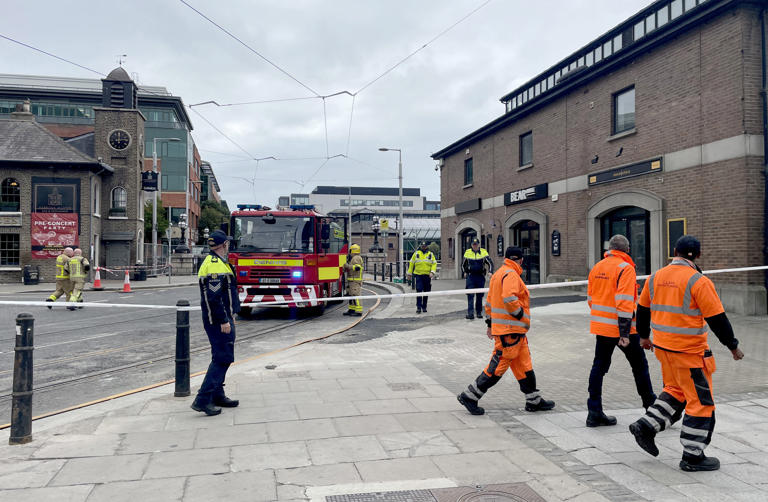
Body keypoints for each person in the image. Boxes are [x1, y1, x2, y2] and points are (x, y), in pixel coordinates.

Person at [628, 235, 744, 472]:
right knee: (700, 403)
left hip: (663, 350)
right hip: (690, 354)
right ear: (698, 255)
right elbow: (717, 319)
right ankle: (692, 455)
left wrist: (643, 336)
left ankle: (646, 426)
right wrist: (732, 346)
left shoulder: (655, 277)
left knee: (675, 391)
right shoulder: (698, 281)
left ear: (674, 251)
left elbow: (642, 308)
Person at [457, 246, 555, 415]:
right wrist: (521, 316)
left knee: (524, 365)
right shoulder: (511, 274)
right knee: (498, 366)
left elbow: (489, 304)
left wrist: (490, 323)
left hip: (511, 332)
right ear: (521, 260)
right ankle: (470, 395)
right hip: (510, 331)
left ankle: (533, 400)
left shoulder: (498, 274)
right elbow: (509, 299)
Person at [586, 234, 656, 427]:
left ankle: (594, 412)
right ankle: (652, 409)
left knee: (598, 367)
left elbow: (591, 299)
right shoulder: (626, 268)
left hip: (602, 328)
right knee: (640, 367)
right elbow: (624, 302)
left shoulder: (597, 267)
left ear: (610, 249)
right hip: (624, 331)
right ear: (627, 250)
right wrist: (624, 333)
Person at [191, 229, 241, 416]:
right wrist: (223, 320)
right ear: (224, 245)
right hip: (218, 320)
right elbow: (213, 298)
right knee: (222, 358)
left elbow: (226, 294)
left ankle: (218, 395)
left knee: (222, 356)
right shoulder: (214, 265)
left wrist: (232, 313)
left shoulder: (218, 262)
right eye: (227, 243)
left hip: (224, 317)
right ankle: (203, 399)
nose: (229, 245)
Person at [462, 238, 494, 319]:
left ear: (478, 245)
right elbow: (462, 265)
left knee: (480, 295)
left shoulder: (483, 252)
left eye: (476, 244)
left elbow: (490, 263)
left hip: (480, 277)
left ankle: (479, 312)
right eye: (473, 244)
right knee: (470, 295)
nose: (474, 246)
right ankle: (470, 314)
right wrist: (464, 272)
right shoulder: (467, 252)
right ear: (471, 245)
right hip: (471, 277)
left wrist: (490, 272)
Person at [407, 241, 437, 314]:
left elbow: (434, 263)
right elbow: (411, 263)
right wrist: (409, 273)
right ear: (420, 246)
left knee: (426, 292)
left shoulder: (430, 254)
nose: (423, 247)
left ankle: (424, 307)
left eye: (425, 246)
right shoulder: (416, 253)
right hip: (418, 275)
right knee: (419, 290)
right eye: (422, 246)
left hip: (427, 276)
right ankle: (418, 307)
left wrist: (432, 272)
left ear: (427, 246)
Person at [343, 243, 364, 316]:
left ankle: (358, 311)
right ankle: (351, 309)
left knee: (356, 295)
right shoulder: (354, 258)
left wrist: (347, 266)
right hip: (352, 281)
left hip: (355, 280)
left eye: (350, 250)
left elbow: (357, 267)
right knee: (351, 295)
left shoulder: (356, 258)